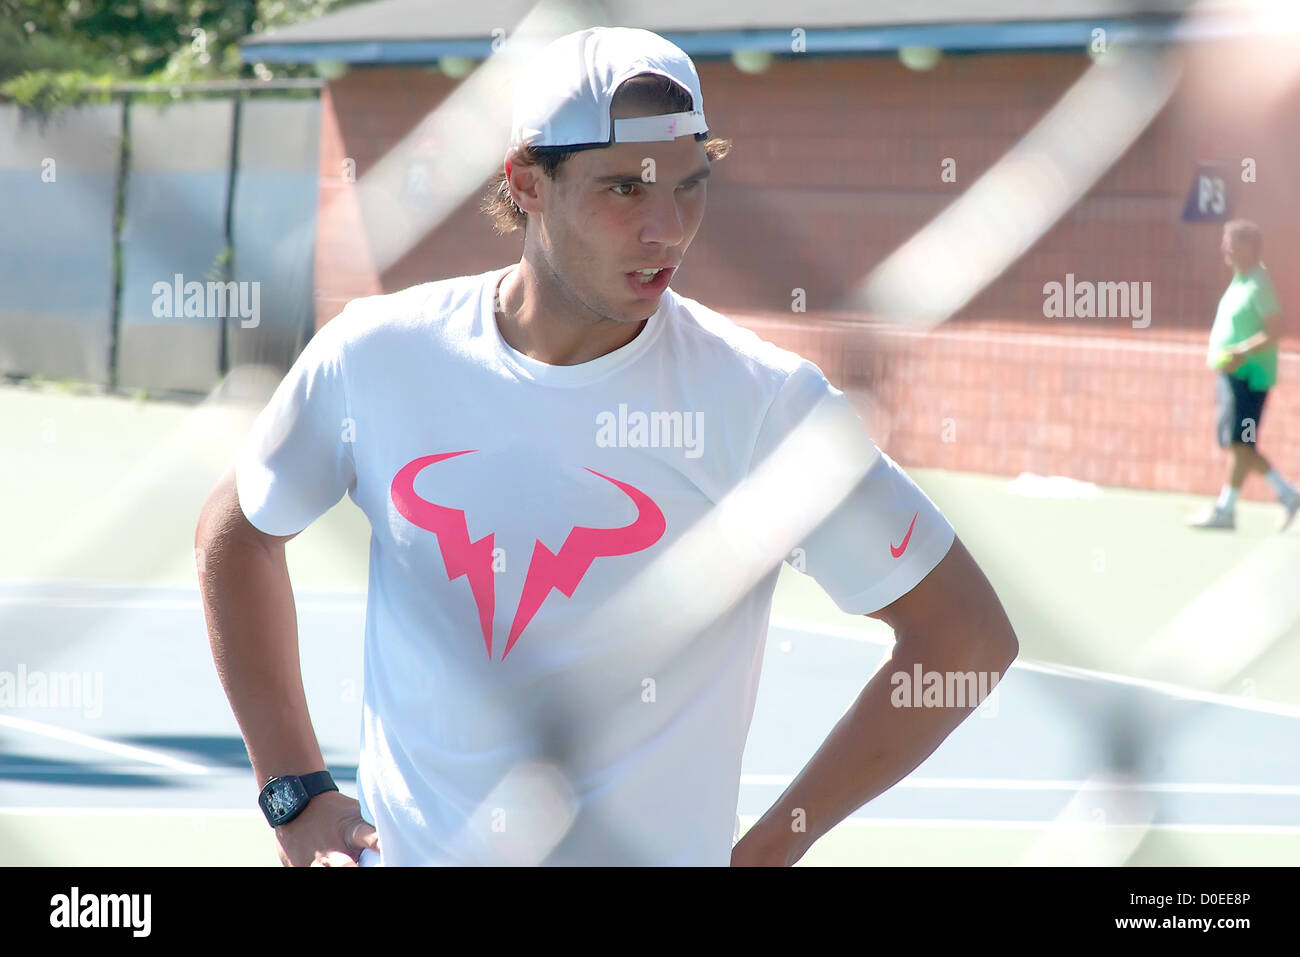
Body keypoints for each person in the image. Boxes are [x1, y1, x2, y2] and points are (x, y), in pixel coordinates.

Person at [195, 26, 1018, 867]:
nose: (668, 229)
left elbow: (966, 637)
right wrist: (293, 792)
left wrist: (770, 849)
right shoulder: (375, 354)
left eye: (690, 188)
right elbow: (237, 531)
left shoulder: (764, 403)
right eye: (626, 189)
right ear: (527, 183)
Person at [1188, 219, 1299, 531]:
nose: (1226, 248)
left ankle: (1226, 510)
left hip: (1250, 379)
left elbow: (1276, 330)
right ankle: (1288, 494)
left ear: (1249, 247)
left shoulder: (1259, 283)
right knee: (1237, 444)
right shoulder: (1239, 281)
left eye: (1232, 242)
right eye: (1225, 241)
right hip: (1231, 379)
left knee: (1241, 442)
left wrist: (1240, 352)